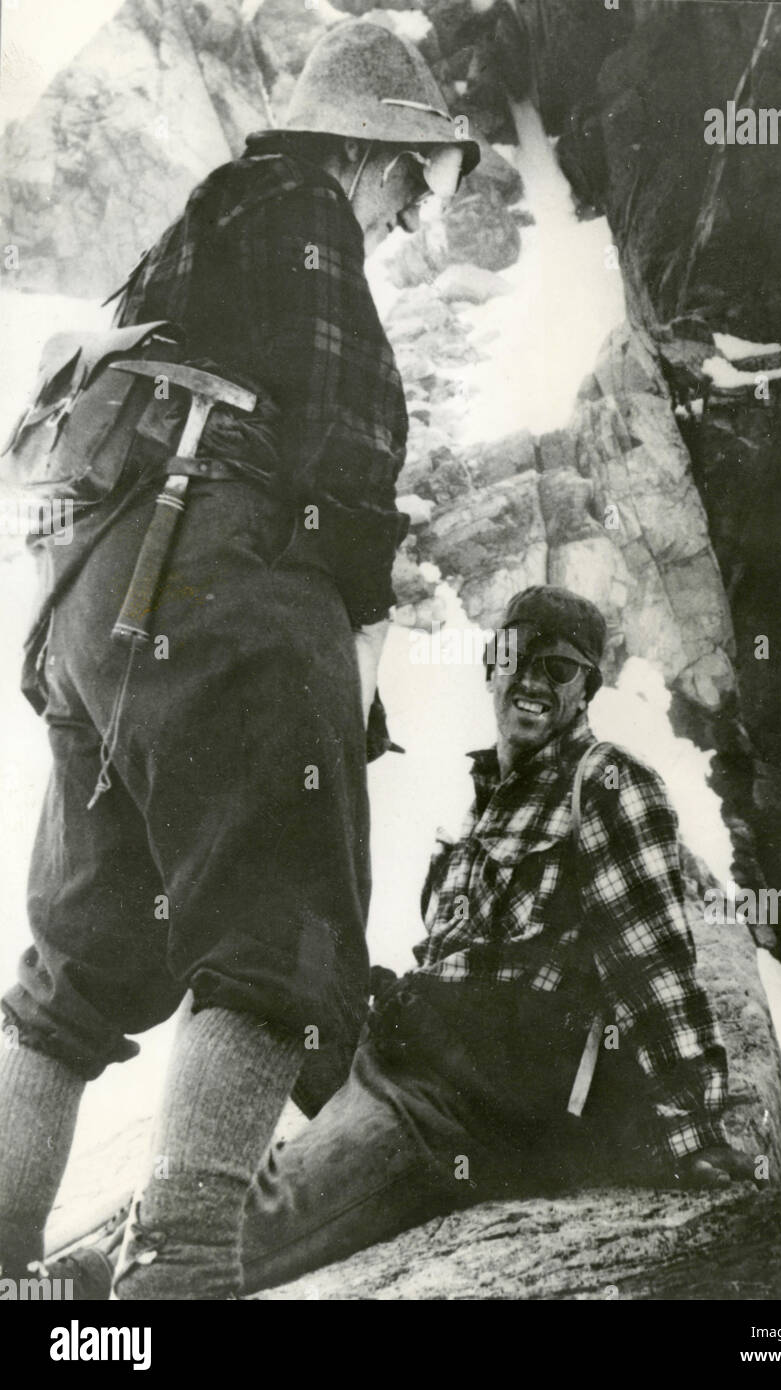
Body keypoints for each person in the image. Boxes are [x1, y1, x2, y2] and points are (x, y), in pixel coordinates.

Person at [0, 19, 480, 1301]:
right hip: (214, 585)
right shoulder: (305, 212)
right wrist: (345, 636)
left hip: (95, 618)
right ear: (370, 152)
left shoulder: (197, 237)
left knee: (79, 969)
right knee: (280, 920)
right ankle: (183, 1273)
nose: (405, 212)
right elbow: (350, 444)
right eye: (411, 180)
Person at [53, 585, 753, 1299]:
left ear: (586, 690)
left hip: (461, 1105)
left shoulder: (607, 784)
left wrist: (694, 1129)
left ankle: (84, 1287)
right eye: (517, 656)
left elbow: (652, 966)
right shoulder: (486, 794)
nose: (534, 680)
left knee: (261, 1214)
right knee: (256, 987)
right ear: (491, 663)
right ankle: (92, 1257)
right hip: (402, 1054)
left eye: (560, 668)